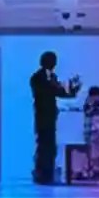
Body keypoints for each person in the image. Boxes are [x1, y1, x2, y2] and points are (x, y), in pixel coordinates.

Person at [29, 51, 81, 184]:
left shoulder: (52, 77)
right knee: (43, 146)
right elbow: (47, 91)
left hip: (51, 117)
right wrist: (60, 87)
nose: (54, 64)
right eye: (52, 61)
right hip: (42, 117)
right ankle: (41, 175)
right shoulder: (37, 77)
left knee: (51, 147)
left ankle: (48, 174)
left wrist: (73, 89)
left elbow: (60, 92)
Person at [80, 86, 99, 181]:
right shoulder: (90, 104)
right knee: (92, 153)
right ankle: (90, 171)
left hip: (96, 133)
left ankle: (98, 171)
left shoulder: (98, 105)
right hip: (92, 132)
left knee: (97, 153)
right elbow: (88, 114)